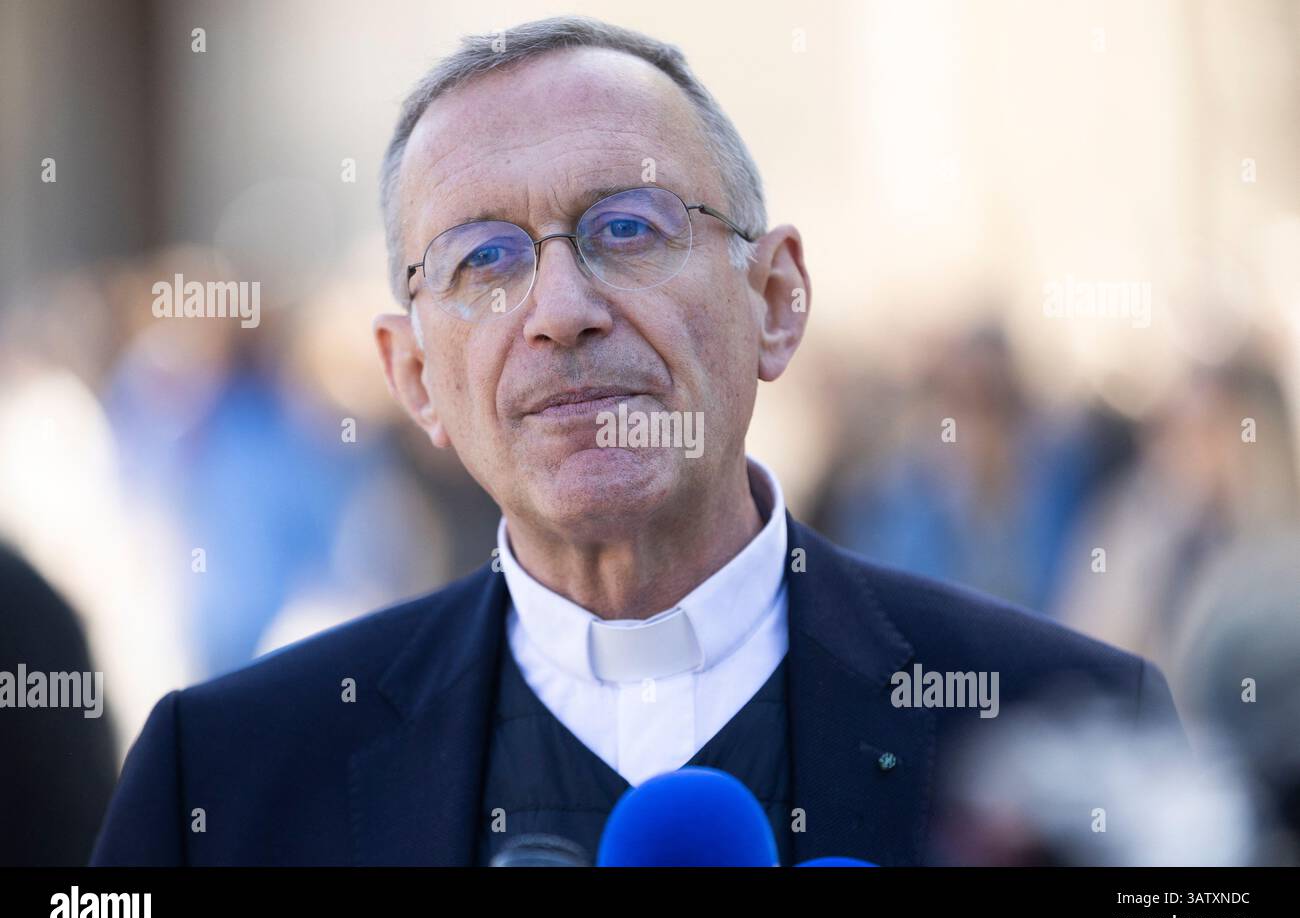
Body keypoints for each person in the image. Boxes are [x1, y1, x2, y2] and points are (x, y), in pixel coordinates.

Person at [90, 15, 1185, 867]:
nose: (561, 308)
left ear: (776, 297)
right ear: (413, 375)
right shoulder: (229, 775)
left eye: (627, 227)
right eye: (482, 260)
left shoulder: (1059, 721)